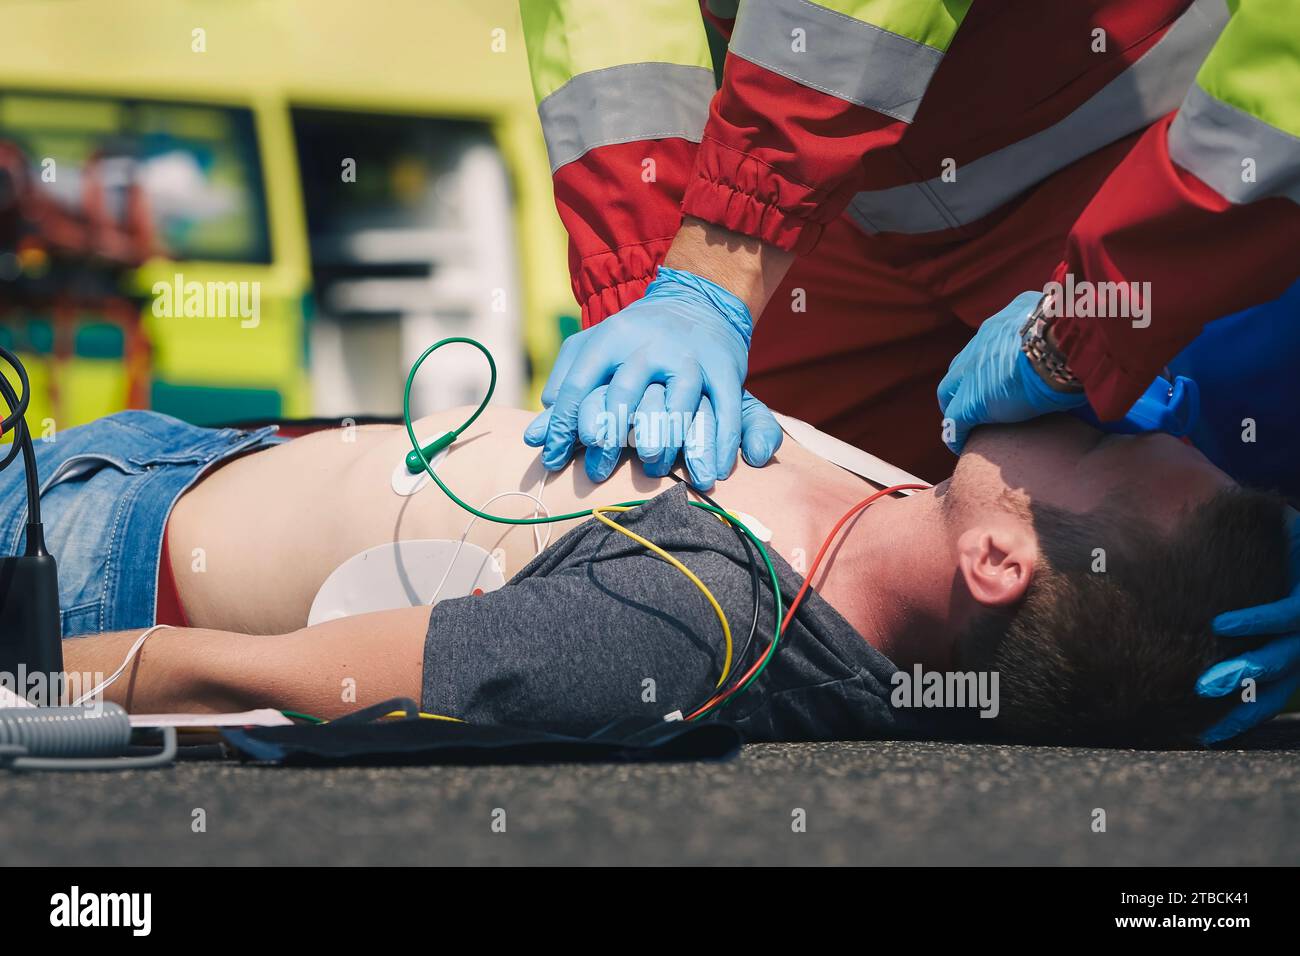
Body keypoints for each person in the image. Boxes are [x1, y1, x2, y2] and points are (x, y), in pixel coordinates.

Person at [517, 0, 1300, 742]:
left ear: (998, 561)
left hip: (1151, 183)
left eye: (1107, 446)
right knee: (703, 505)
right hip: (847, 201)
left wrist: (1103, 312)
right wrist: (657, 284)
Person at [8, 407, 1288, 746]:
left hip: (84, 562)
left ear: (1000, 560)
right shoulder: (912, 507)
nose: (1103, 402)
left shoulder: (691, 622)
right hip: (149, 463)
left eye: (1110, 440)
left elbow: (241, 687)